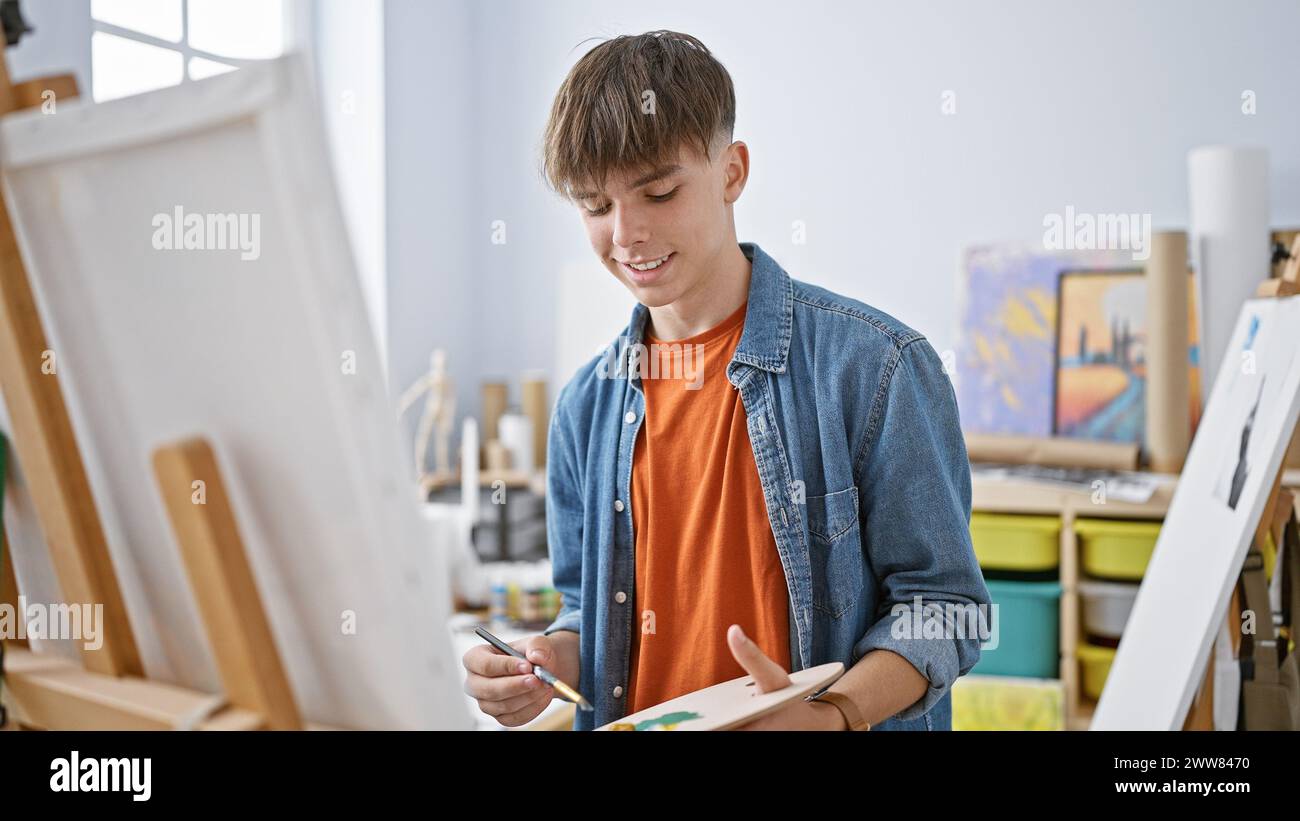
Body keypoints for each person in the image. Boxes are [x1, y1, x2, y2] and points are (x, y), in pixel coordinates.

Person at [463, 29, 990, 731]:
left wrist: (832, 714)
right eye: (595, 205)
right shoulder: (585, 406)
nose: (627, 234)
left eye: (658, 191)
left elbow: (945, 606)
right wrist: (547, 663)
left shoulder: (877, 367)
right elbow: (587, 614)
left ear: (732, 171)